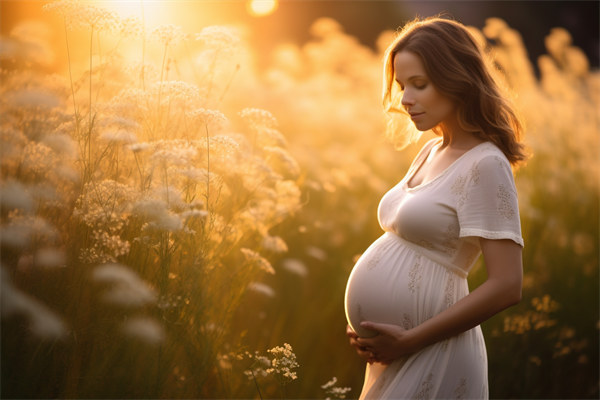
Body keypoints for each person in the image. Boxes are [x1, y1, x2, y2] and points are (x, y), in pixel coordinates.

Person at [344, 16, 527, 399]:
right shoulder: (432, 149)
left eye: (419, 85)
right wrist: (368, 328)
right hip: (394, 353)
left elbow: (507, 284)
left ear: (457, 79)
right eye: (400, 86)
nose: (405, 99)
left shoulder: (486, 164)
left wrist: (409, 340)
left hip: (434, 352)